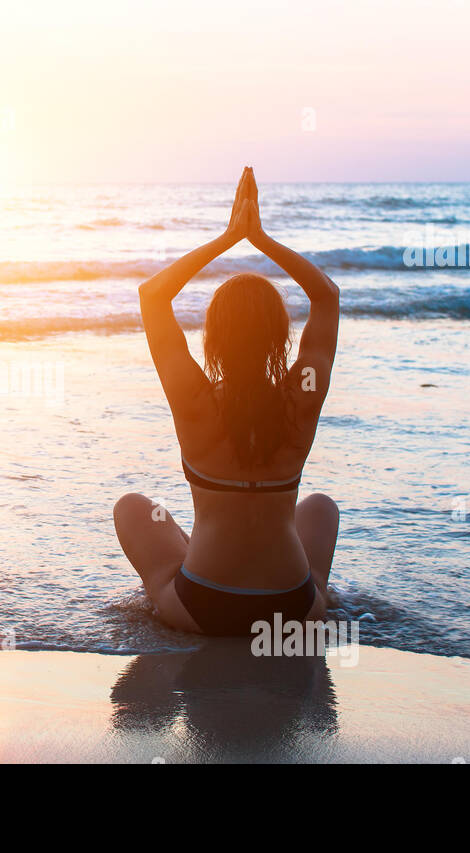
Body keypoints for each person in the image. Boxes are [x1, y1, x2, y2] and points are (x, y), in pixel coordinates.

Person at [113, 167, 340, 635]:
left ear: (213, 338)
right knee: (320, 507)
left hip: (205, 606)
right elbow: (326, 296)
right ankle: (313, 587)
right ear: (280, 339)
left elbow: (152, 296)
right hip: (293, 610)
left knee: (133, 508)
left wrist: (228, 236)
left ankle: (194, 551)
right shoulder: (302, 401)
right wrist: (261, 239)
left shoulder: (193, 399)